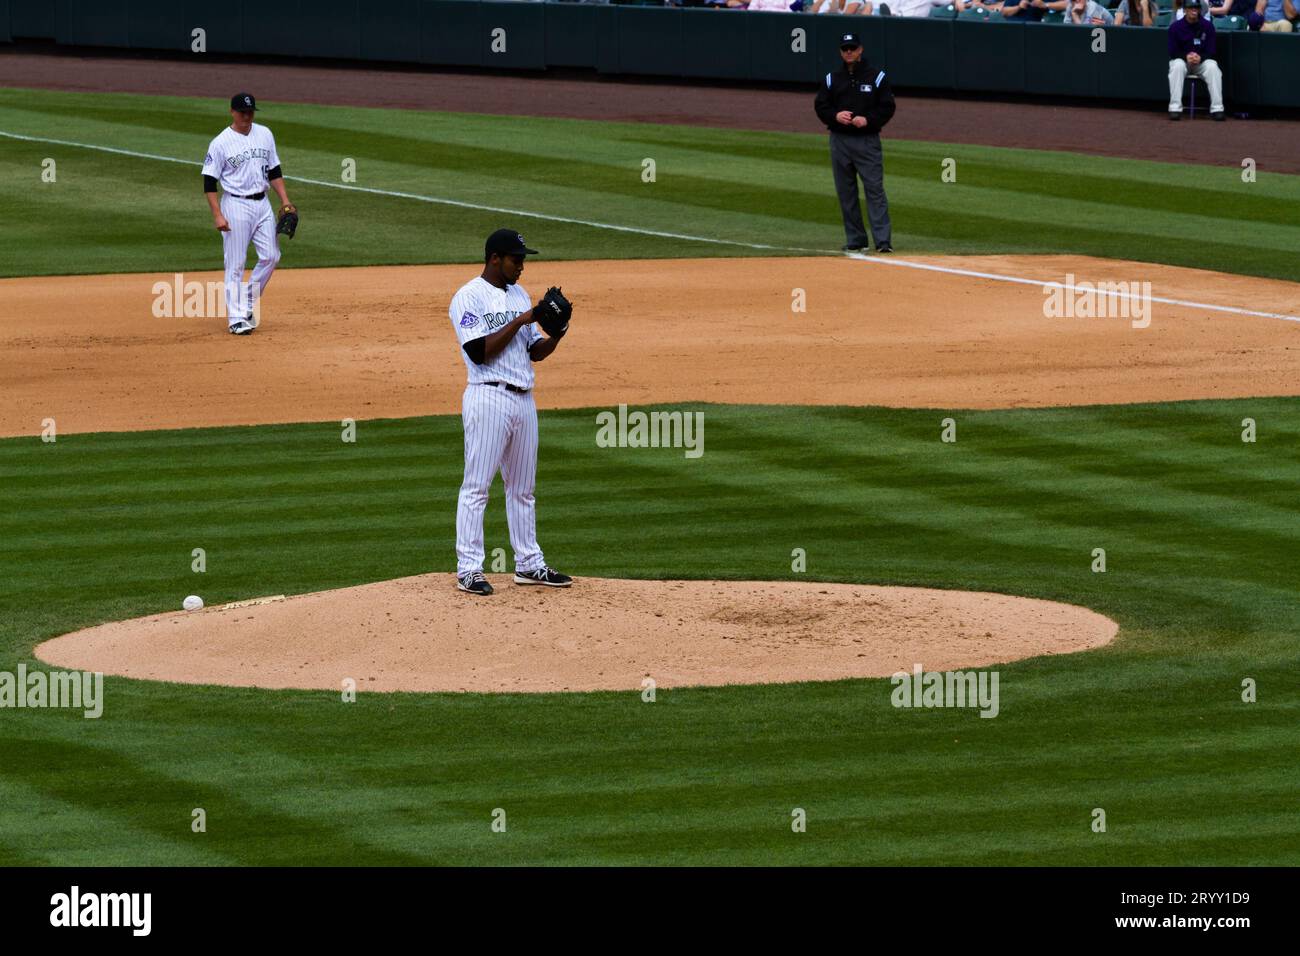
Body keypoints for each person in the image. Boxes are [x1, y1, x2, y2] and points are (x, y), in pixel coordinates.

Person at [448, 229, 573, 596]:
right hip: (488, 398)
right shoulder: (468, 297)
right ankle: (469, 569)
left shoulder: (518, 295)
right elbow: (478, 351)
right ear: (494, 258)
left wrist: (559, 333)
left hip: (523, 399)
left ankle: (529, 564)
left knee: (523, 489)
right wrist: (523, 318)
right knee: (477, 487)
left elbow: (534, 352)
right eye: (516, 259)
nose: (522, 266)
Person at [201, 93, 292, 335]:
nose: (247, 116)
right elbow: (209, 182)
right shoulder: (220, 143)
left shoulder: (265, 134)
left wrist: (285, 200)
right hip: (235, 205)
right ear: (232, 112)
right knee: (236, 263)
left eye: (250, 112)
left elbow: (274, 170)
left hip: (263, 205)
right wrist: (217, 215)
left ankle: (247, 303)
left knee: (272, 256)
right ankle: (236, 318)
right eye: (242, 112)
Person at [814, 32, 896, 254]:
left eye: (852, 48)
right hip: (839, 141)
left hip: (866, 141)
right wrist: (835, 116)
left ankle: (882, 241)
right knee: (846, 192)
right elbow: (821, 106)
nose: (848, 52)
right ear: (841, 52)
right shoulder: (832, 78)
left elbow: (887, 107)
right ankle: (856, 239)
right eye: (845, 49)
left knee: (874, 190)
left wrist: (868, 120)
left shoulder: (876, 77)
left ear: (860, 49)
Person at [1167, 2, 1225, 120]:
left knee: (1213, 66)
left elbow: (1212, 50)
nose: (1194, 10)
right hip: (1183, 62)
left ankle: (1217, 109)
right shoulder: (1175, 27)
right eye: (1190, 7)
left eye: (1196, 7)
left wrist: (1201, 58)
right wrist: (1185, 57)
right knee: (1177, 65)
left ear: (1199, 10)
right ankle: (1175, 108)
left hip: (1201, 63)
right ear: (1184, 10)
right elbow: (1172, 52)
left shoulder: (1207, 26)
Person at [999, 0, 1067, 20]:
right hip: (1012, 29)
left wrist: (1045, 5)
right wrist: (1019, 7)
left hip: (1033, 31)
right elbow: (1004, 12)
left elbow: (1066, 4)